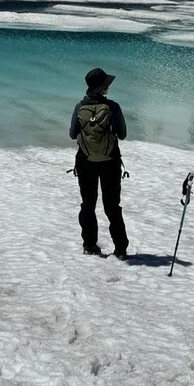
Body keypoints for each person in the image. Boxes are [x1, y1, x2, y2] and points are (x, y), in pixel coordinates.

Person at [70, 68, 129, 259]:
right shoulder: (113, 107)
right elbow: (122, 134)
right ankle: (120, 249)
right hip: (110, 161)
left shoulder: (80, 107)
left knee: (88, 204)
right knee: (112, 206)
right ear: (103, 87)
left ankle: (89, 245)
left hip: (86, 161)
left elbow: (72, 134)